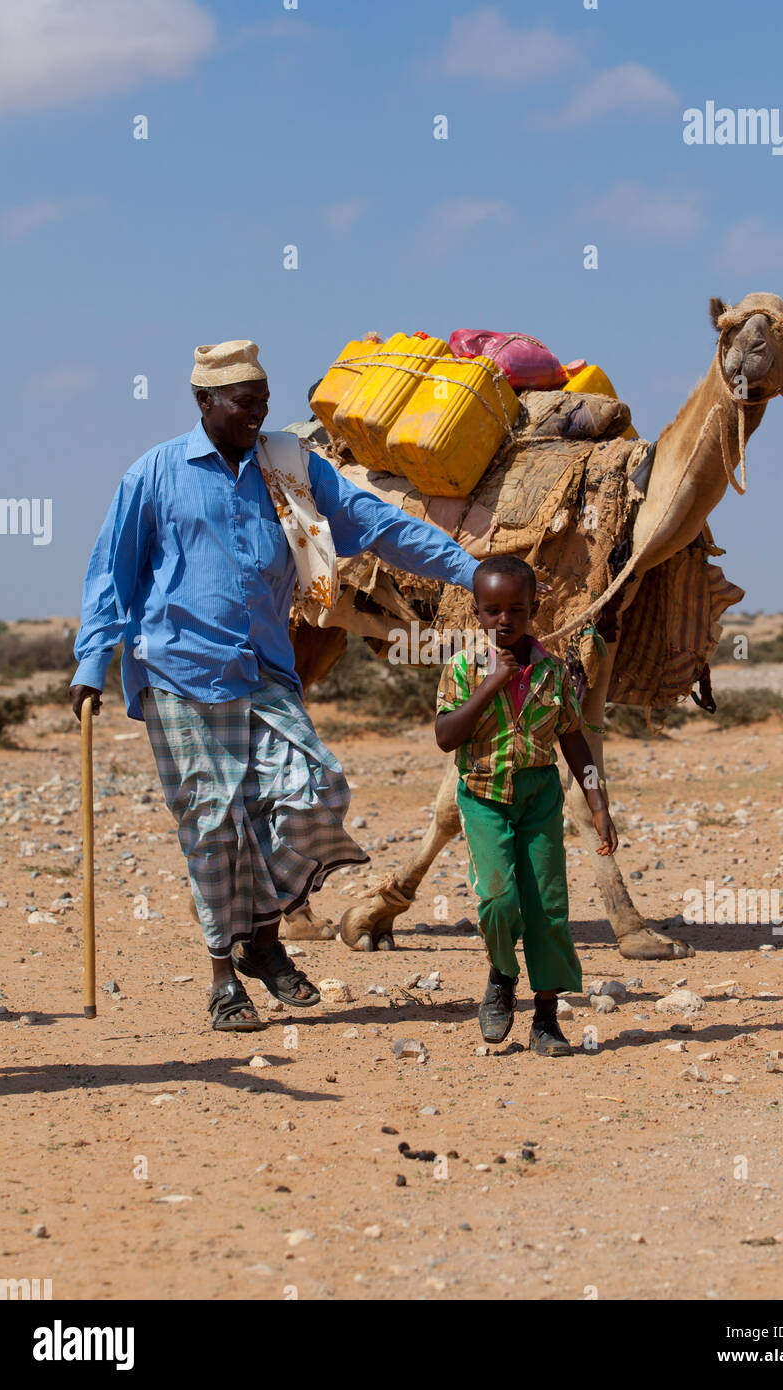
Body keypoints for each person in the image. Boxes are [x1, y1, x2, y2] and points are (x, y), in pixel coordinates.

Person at [70, 339, 479, 1032]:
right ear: (204, 402)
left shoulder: (288, 467)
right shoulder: (156, 473)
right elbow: (113, 571)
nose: (259, 413)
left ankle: (262, 936)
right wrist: (91, 662)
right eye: (244, 403)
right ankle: (223, 976)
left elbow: (375, 524)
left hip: (263, 666)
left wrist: (470, 570)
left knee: (315, 792)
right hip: (179, 670)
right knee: (212, 825)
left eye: (263, 400)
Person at [435, 555, 618, 1057]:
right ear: (475, 611)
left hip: (539, 796)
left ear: (534, 607)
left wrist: (597, 801)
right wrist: (491, 682)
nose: (505, 620)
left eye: (516, 609)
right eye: (492, 610)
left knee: (547, 908)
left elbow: (574, 739)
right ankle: (502, 972)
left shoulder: (554, 672)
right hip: (484, 795)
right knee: (497, 899)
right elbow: (446, 736)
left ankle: (544, 1018)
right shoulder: (462, 667)